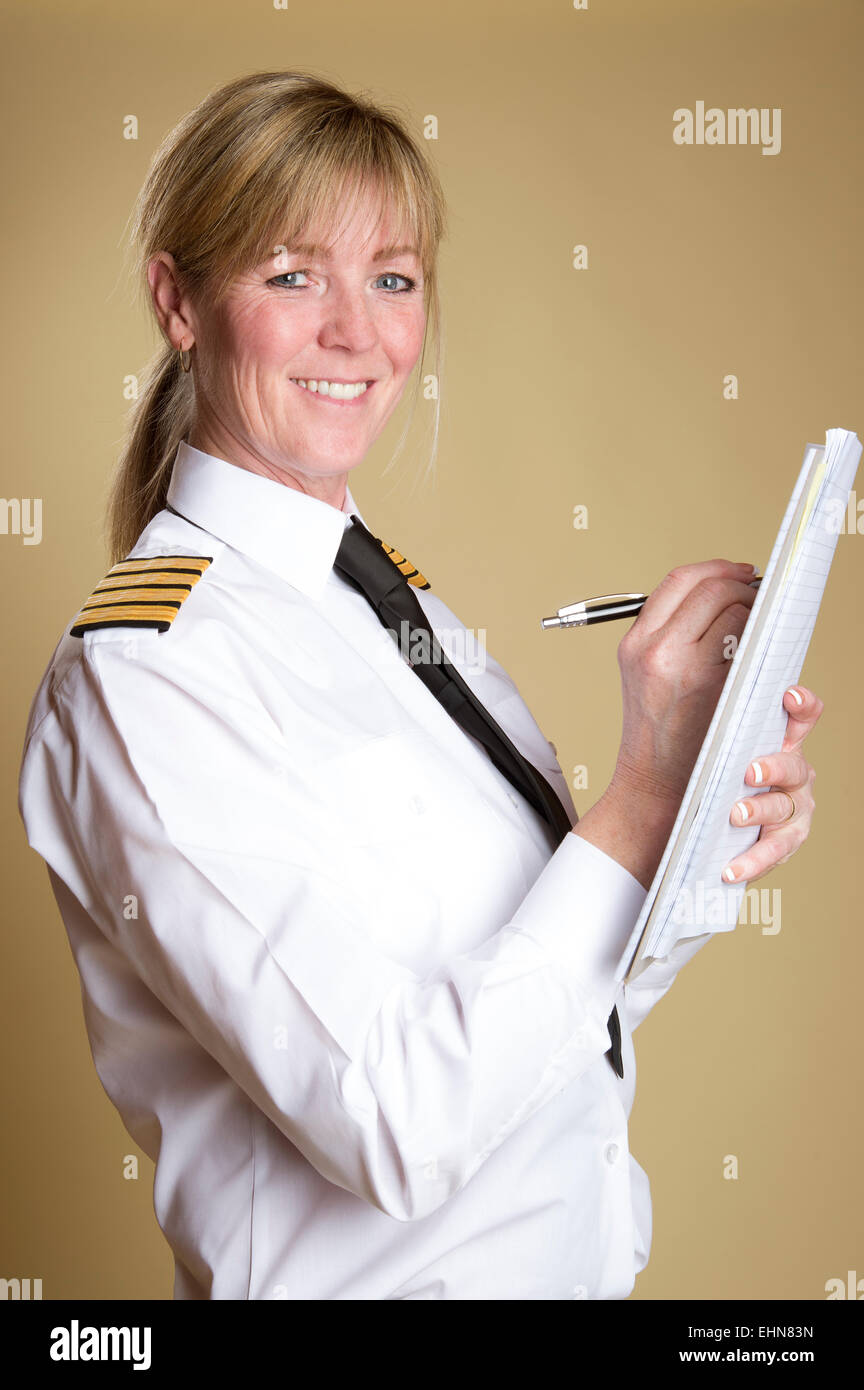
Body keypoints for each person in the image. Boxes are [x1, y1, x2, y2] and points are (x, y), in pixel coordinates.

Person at [18, 69, 820, 1301]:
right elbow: (396, 1116)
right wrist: (639, 802)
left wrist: (698, 816)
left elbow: (550, 1027)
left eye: (391, 278)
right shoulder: (147, 671)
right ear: (179, 300)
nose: (358, 331)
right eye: (293, 276)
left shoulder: (393, 601)